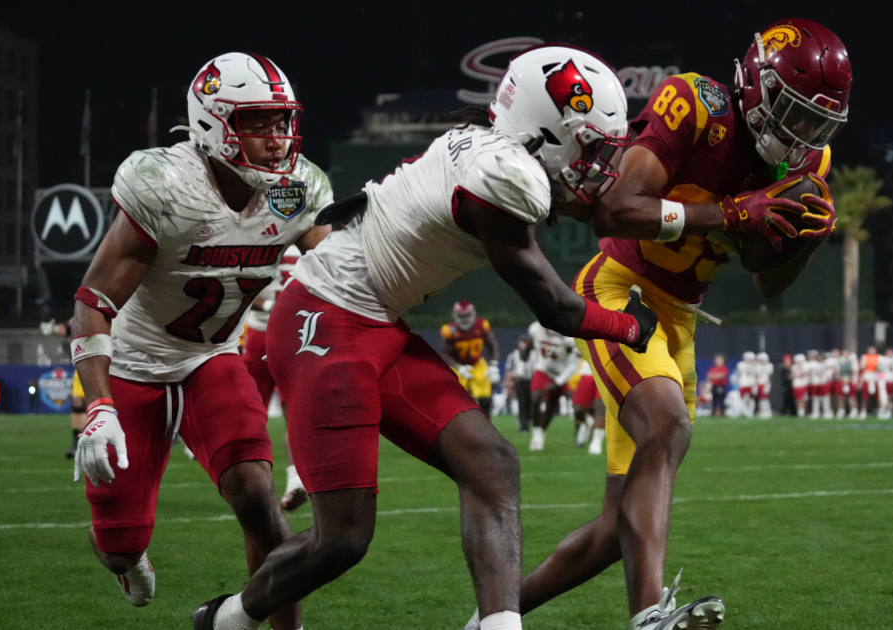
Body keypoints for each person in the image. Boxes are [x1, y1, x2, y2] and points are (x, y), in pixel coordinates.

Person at [193, 45, 660, 630]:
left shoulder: (489, 147)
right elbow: (557, 308)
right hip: (327, 320)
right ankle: (226, 620)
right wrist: (630, 326)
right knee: (343, 538)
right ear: (548, 130)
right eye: (591, 145)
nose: (598, 163)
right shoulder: (506, 174)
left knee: (492, 464)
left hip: (375, 322)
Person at [498, 19, 848, 630]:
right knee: (667, 422)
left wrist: (805, 240)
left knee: (614, 530)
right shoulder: (697, 103)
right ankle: (650, 617)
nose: (804, 136)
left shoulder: (806, 157)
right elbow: (614, 210)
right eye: (794, 114)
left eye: (817, 123)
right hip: (619, 291)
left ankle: (491, 617)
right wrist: (734, 212)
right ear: (757, 87)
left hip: (680, 322)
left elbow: (767, 281)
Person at [69, 53, 327, 630]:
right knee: (118, 543)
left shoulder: (298, 188)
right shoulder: (166, 185)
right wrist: (98, 403)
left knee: (258, 497)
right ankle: (122, 555)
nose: (277, 137)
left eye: (282, 120)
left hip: (212, 356)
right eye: (258, 121)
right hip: (133, 363)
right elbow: (92, 301)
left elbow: (340, 267)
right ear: (214, 123)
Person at [241, 245, 307, 510]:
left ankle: (259, 489)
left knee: (251, 417)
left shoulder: (258, 242)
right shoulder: (304, 245)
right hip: (290, 336)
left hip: (263, 336)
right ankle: (293, 480)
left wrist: (270, 305)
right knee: (290, 413)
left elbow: (241, 290)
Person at [527, 322, 582, 451]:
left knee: (551, 405)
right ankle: (536, 433)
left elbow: (574, 365)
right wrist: (526, 351)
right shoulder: (535, 329)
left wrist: (558, 382)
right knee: (535, 398)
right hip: (544, 368)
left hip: (562, 373)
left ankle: (542, 432)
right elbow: (545, 349)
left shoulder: (568, 339)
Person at [442, 302, 502, 418]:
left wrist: (494, 365)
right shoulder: (450, 330)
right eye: (461, 316)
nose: (464, 319)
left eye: (466, 315)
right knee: (457, 401)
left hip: (477, 364)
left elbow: (493, 346)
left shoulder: (482, 325)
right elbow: (445, 353)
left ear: (473, 314)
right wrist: (459, 367)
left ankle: (487, 427)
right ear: (455, 316)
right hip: (458, 366)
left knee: (486, 400)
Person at [505, 336, 535, 432]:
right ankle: (523, 425)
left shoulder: (534, 354)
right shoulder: (514, 355)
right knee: (522, 403)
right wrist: (508, 382)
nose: (523, 345)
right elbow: (509, 369)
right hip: (519, 381)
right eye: (522, 342)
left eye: (525, 343)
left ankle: (528, 421)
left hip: (531, 380)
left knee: (530, 403)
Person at [878, 348, 893, 419]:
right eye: (888, 352)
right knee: (888, 397)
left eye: (891, 352)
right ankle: (888, 412)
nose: (890, 354)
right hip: (888, 380)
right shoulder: (884, 359)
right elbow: (880, 367)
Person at [859, 345, 880, 417]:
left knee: (878, 395)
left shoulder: (879, 357)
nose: (872, 351)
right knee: (865, 396)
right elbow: (863, 368)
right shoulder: (865, 357)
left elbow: (879, 368)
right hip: (867, 376)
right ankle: (863, 410)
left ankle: (880, 410)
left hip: (876, 377)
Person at [736, 351, 758, 418]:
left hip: (751, 384)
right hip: (743, 383)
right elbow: (739, 375)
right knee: (742, 399)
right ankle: (743, 412)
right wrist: (739, 383)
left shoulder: (755, 365)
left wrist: (755, 385)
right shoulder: (741, 364)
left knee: (751, 399)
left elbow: (756, 375)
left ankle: (750, 413)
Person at [792, 353, 810, 418]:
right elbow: (792, 376)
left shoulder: (806, 365)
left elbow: (804, 374)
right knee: (797, 399)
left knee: (803, 399)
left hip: (803, 384)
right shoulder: (794, 366)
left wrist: (798, 373)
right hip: (796, 385)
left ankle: (803, 411)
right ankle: (799, 411)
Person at [756, 352, 774, 419]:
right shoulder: (757, 366)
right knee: (761, 399)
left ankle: (767, 412)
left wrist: (768, 385)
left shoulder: (769, 365)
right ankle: (763, 412)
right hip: (759, 383)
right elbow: (756, 376)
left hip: (765, 383)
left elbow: (769, 376)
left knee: (764, 399)